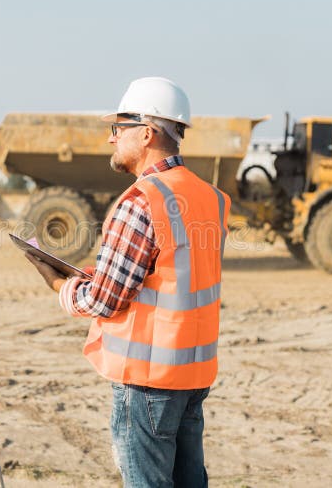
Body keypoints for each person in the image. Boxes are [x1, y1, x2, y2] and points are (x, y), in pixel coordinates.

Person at [26, 77, 230, 487]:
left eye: (119, 128)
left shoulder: (142, 200)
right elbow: (167, 276)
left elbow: (105, 300)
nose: (110, 138)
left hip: (148, 379)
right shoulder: (212, 197)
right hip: (194, 373)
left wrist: (58, 284)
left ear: (148, 133)